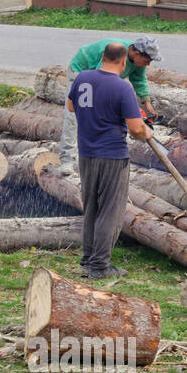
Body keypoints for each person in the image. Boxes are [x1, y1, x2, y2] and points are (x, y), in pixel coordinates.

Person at [66, 41, 154, 280]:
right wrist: (148, 132)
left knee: (92, 207)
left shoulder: (82, 78)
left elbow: (72, 106)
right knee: (111, 211)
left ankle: (87, 259)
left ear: (103, 57)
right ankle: (99, 266)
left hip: (87, 153)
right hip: (112, 155)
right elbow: (136, 129)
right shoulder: (121, 87)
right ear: (124, 61)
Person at [59, 35, 160, 175]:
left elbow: (139, 79)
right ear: (136, 53)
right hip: (82, 70)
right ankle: (67, 159)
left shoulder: (138, 60)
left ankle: (95, 154)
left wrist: (146, 102)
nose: (148, 64)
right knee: (75, 115)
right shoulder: (114, 52)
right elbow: (101, 80)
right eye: (146, 61)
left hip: (102, 75)